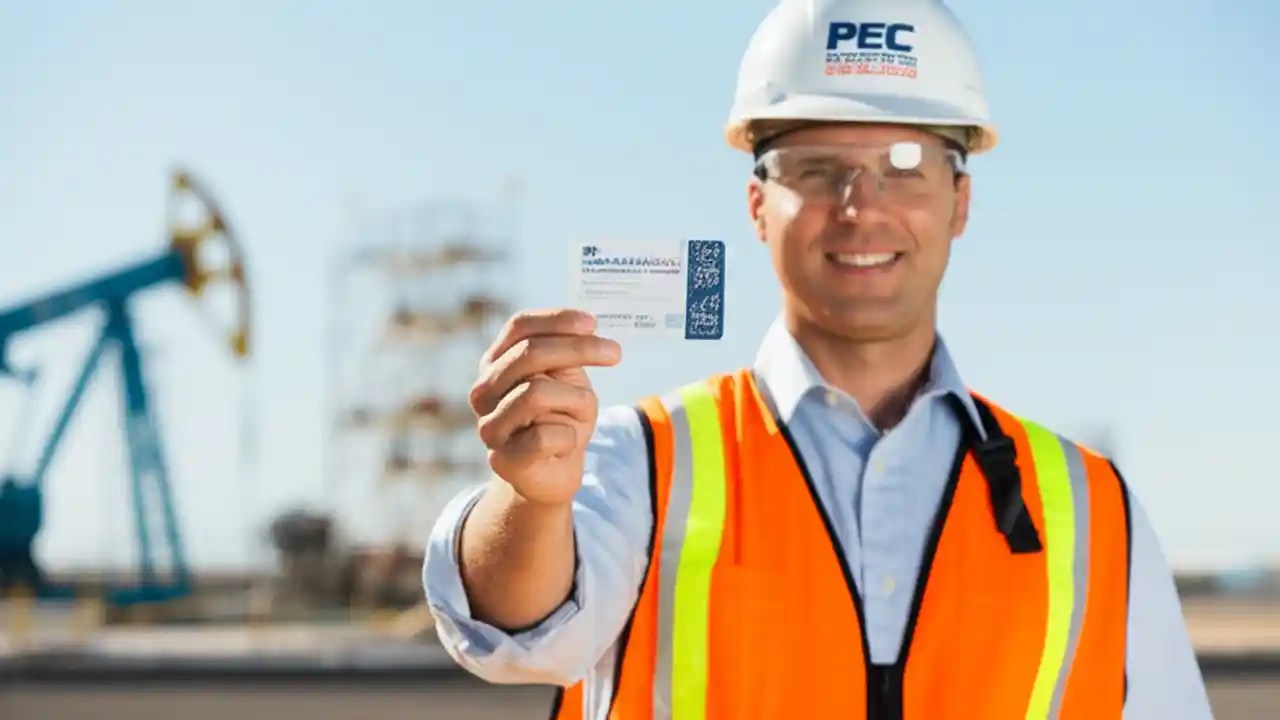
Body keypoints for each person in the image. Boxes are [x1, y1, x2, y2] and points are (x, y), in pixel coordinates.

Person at [424, 0, 1213, 717]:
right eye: (816, 169)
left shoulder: (1094, 510)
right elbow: (520, 636)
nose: (860, 207)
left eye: (905, 165)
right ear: (758, 207)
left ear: (960, 201)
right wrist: (530, 500)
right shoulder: (644, 461)